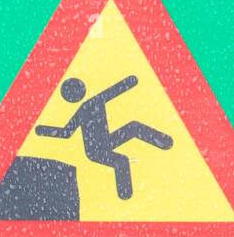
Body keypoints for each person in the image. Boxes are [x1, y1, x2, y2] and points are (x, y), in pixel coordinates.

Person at [35, 75, 173, 200]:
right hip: (95, 151)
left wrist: (130, 82)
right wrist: (42, 130)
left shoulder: (92, 103)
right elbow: (66, 133)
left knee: (133, 127)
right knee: (121, 160)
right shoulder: (86, 108)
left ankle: (165, 142)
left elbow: (114, 91)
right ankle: (125, 195)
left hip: (107, 141)